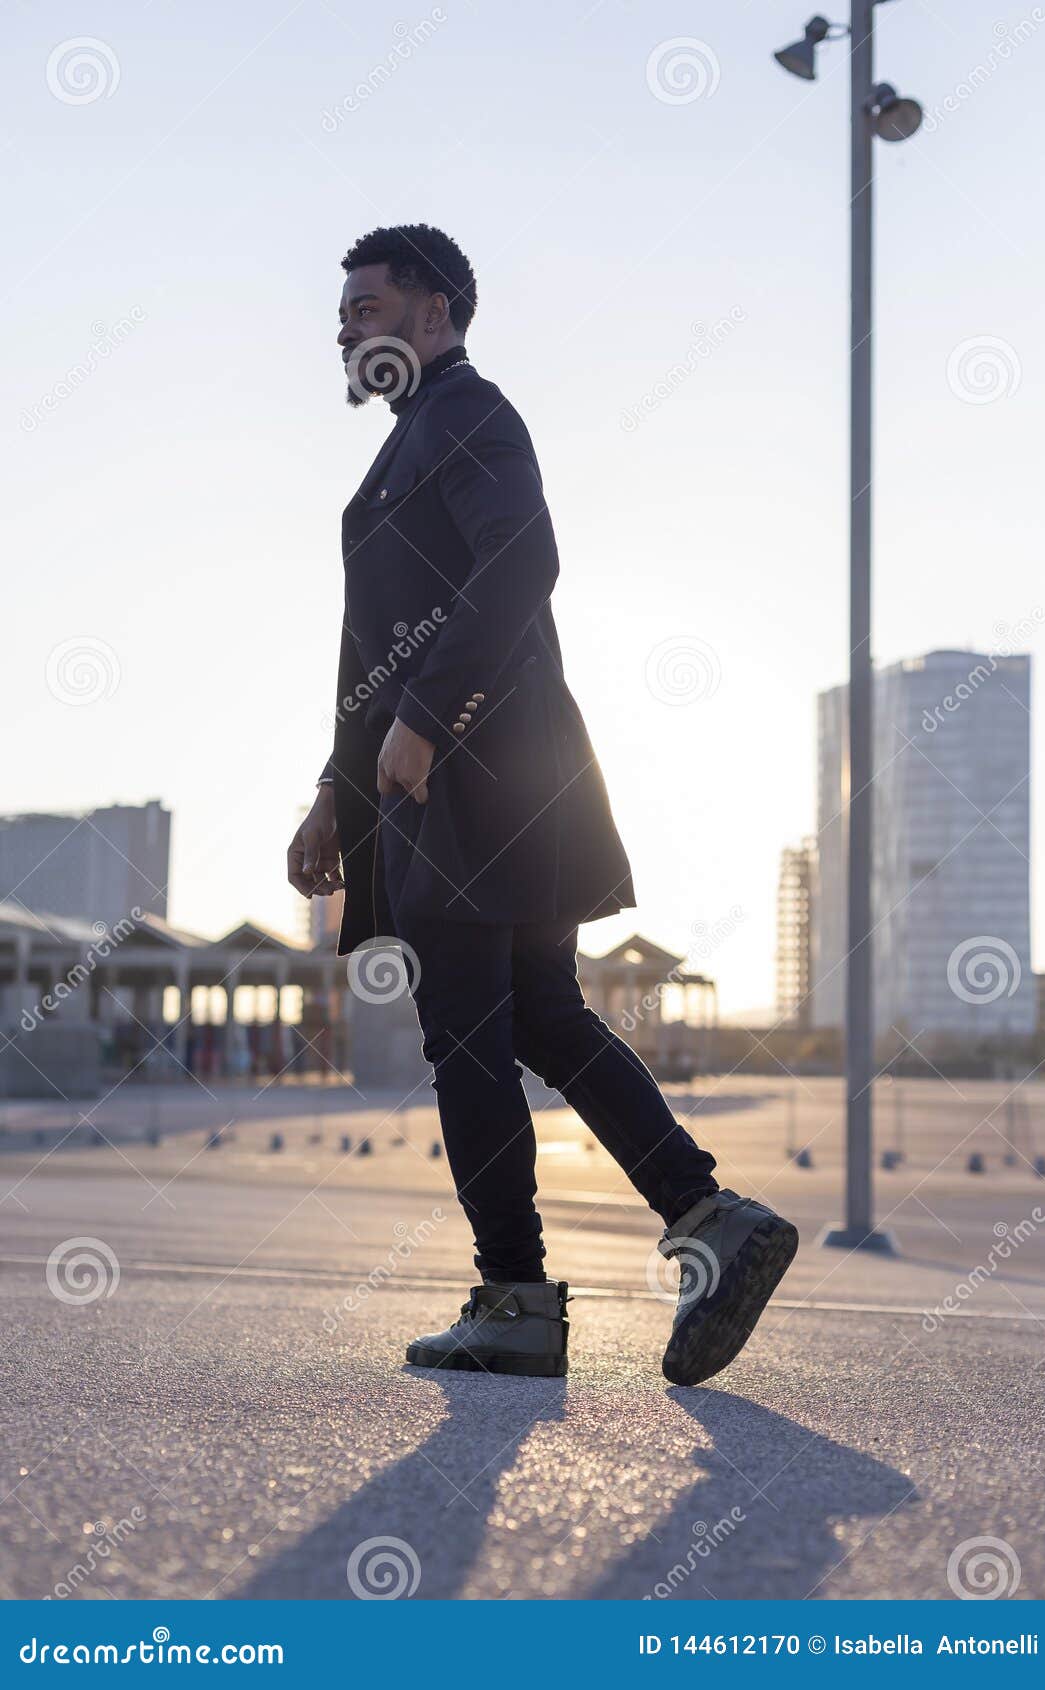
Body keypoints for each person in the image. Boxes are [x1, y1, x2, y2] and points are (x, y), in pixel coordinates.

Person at [288, 224, 797, 1384]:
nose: (345, 324)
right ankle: (709, 1221)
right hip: (482, 770)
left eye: (367, 303)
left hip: (478, 775)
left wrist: (421, 721)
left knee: (469, 1035)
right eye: (342, 311)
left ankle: (514, 1295)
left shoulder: (466, 414)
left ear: (435, 309)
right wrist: (334, 787)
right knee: (538, 1013)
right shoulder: (412, 441)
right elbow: (370, 643)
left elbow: (520, 559)